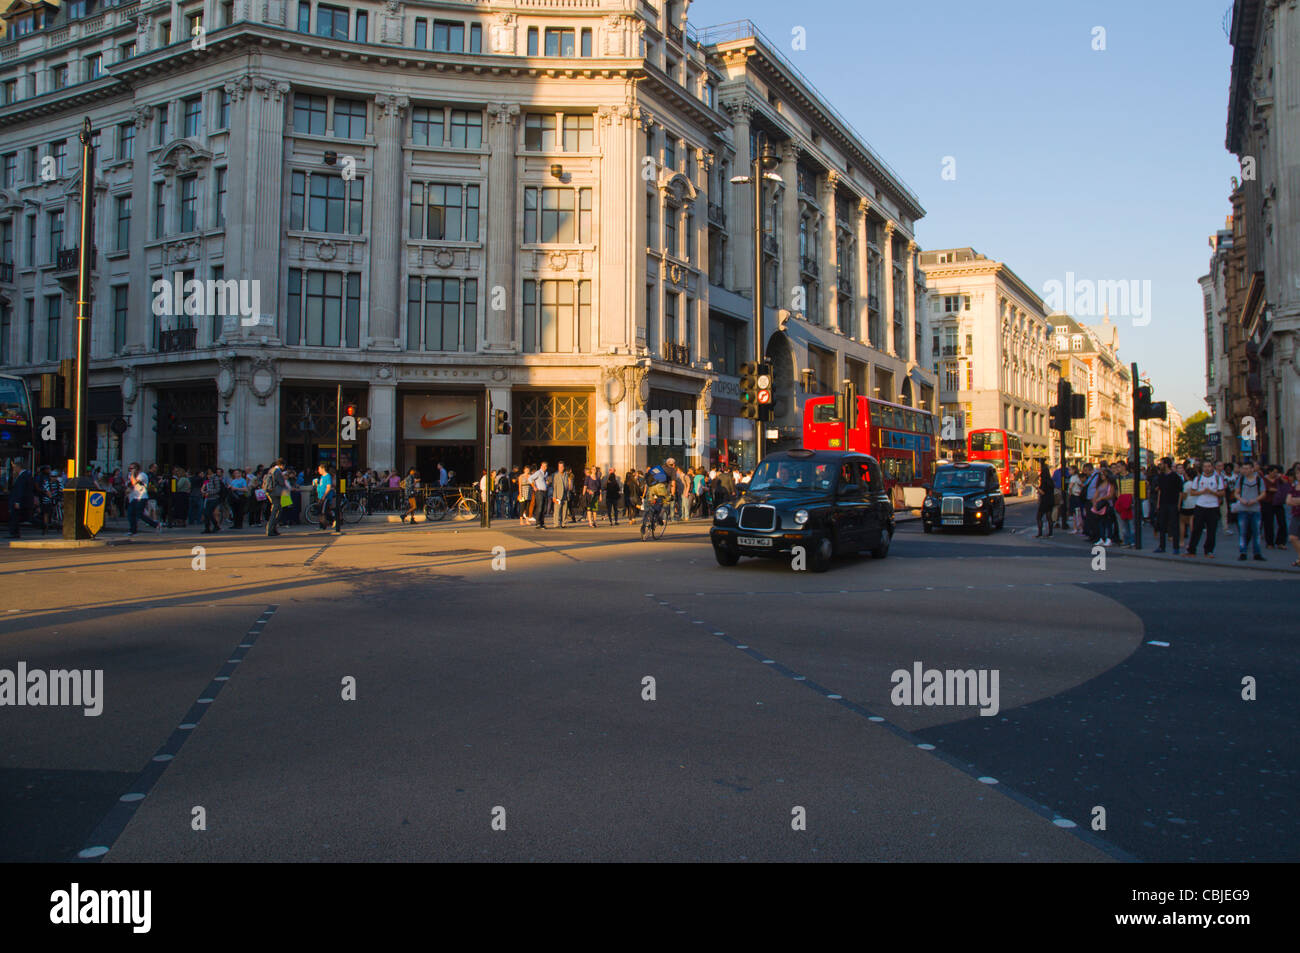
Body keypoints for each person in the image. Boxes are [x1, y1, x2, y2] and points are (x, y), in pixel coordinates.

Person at [1184, 459, 1225, 558]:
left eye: (1209, 466)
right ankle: (1192, 549)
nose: (1207, 468)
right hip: (1200, 506)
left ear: (1212, 467)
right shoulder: (1198, 479)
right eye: (1205, 466)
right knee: (1196, 529)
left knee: (1211, 530)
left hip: (1213, 506)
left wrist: (1212, 492)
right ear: (1202, 468)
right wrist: (1202, 492)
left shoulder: (1217, 478)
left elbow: (1222, 492)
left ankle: (1209, 550)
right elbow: (1193, 492)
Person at [1233, 460, 1265, 561]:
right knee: (1243, 532)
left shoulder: (1259, 479)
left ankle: (1257, 553)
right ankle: (1243, 552)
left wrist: (1255, 500)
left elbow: (1263, 493)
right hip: (1243, 509)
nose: (1245, 470)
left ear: (1252, 469)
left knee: (1256, 533)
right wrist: (1242, 500)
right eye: (1243, 468)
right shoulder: (1241, 479)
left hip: (1255, 509)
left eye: (1247, 468)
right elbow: (1236, 492)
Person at [1153, 458, 1183, 554]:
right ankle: (1162, 546)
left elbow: (1180, 492)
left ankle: (1176, 547)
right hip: (1163, 504)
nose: (1160, 466)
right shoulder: (1161, 476)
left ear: (1166, 465)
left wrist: (1178, 504)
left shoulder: (1175, 477)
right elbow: (1160, 491)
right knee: (1162, 525)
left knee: (1174, 526)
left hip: (1173, 503)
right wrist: (1158, 503)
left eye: (1161, 464)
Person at [126, 462, 161, 536]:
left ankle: (155, 524)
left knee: (139, 514)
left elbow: (134, 482)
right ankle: (133, 530)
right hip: (135, 497)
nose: (131, 470)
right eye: (130, 469)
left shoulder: (142, 475)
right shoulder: (131, 475)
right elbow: (130, 485)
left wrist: (132, 475)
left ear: (137, 469)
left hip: (142, 497)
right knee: (130, 513)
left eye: (132, 468)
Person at [641, 468, 672, 540]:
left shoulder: (655, 475)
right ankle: (659, 518)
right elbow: (666, 494)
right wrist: (670, 498)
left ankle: (646, 520)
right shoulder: (663, 481)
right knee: (666, 502)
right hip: (659, 488)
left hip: (651, 488)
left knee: (651, 504)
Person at [7, 460, 34, 539]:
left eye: (15, 467)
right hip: (23, 500)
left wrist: (17, 501)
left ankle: (14, 533)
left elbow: (20, 489)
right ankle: (15, 532)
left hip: (20, 501)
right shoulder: (26, 475)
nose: (14, 469)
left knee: (15, 517)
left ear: (19, 467)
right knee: (16, 517)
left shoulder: (23, 476)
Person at [264, 459, 288, 536]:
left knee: (276, 510)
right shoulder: (277, 471)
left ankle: (273, 529)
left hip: (271, 492)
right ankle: (270, 529)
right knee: (276, 511)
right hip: (277, 493)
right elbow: (281, 482)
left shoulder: (271, 470)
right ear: (282, 465)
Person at [1034, 460, 1055, 538]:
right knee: (1049, 517)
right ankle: (1050, 533)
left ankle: (1040, 533)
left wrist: (1037, 488)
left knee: (1039, 517)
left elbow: (1042, 492)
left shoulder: (1044, 482)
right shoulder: (1051, 481)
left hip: (1045, 501)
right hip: (1051, 500)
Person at [550, 461, 572, 529]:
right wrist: (554, 496)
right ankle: (556, 524)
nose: (561, 468)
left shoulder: (566, 474)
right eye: (560, 467)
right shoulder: (555, 475)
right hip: (558, 495)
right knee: (557, 510)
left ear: (564, 467)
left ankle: (563, 523)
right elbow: (554, 486)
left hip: (565, 494)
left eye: (562, 467)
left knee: (564, 510)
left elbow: (568, 485)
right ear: (558, 467)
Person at [530, 462, 550, 528]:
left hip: (544, 491)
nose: (544, 468)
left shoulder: (546, 473)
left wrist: (547, 483)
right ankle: (538, 523)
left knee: (544, 508)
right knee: (540, 507)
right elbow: (530, 478)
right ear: (541, 466)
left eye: (545, 466)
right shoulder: (538, 472)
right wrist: (534, 487)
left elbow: (545, 480)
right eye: (543, 466)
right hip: (539, 492)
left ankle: (542, 522)